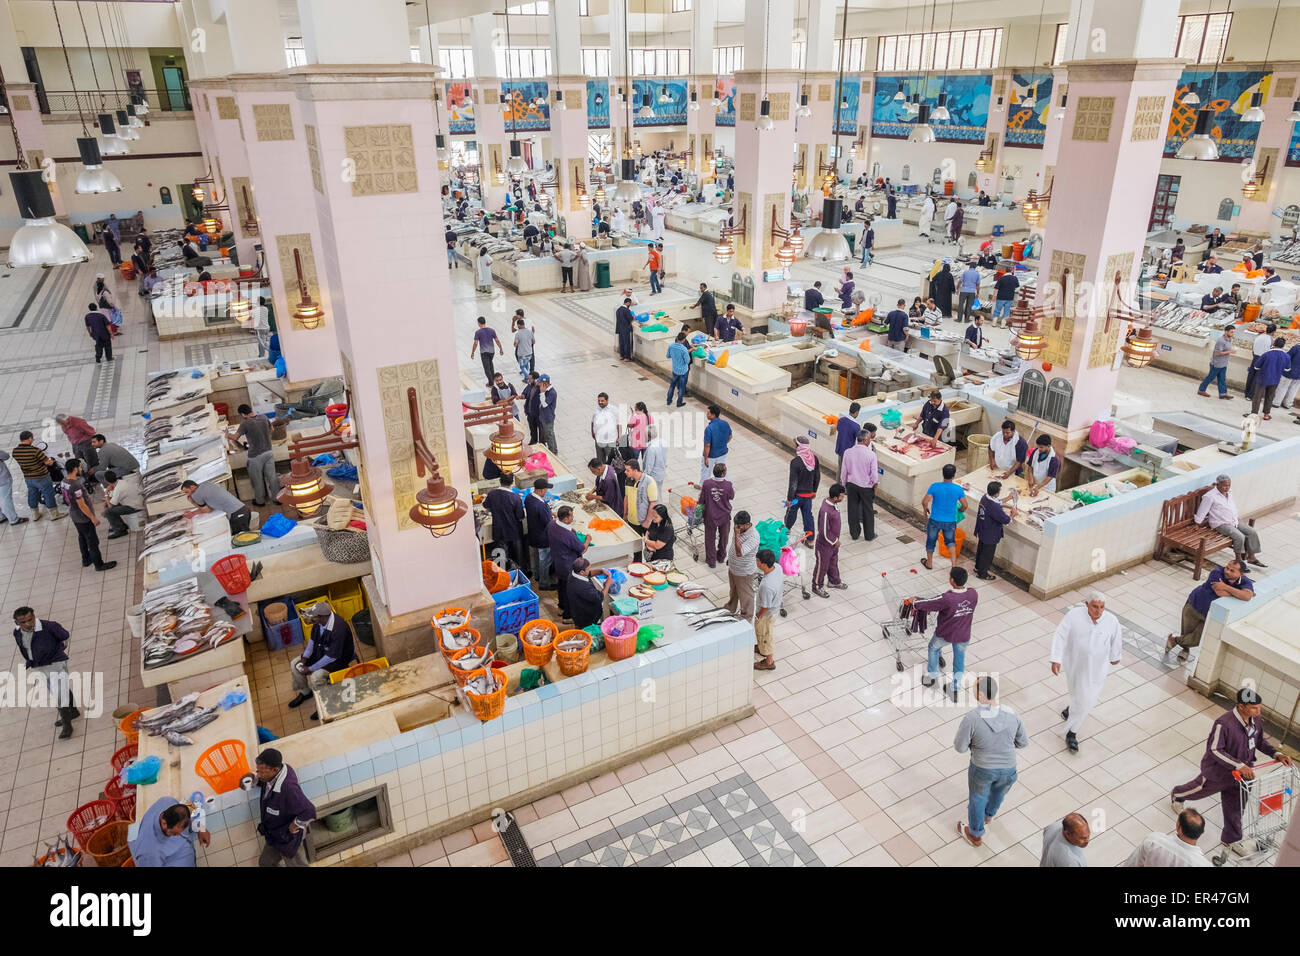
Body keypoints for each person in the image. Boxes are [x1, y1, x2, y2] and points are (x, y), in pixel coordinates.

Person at [1171, 687, 1293, 856]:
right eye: (1254, 708)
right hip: (1218, 773)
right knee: (1198, 789)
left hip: (1242, 777)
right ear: (1241, 706)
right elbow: (1215, 750)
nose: (1259, 711)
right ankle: (1177, 795)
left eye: (1259, 707)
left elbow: (1259, 741)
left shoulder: (1255, 720)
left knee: (1236, 808)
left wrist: (1276, 754)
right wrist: (1238, 765)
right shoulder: (1224, 723)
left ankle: (1231, 839)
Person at [953, 676, 1028, 847]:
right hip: (1009, 769)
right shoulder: (1012, 713)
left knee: (977, 799)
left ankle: (975, 835)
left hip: (982, 769)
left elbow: (960, 747)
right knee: (998, 793)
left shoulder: (972, 718)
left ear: (979, 694)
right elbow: (1022, 742)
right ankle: (988, 815)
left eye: (973, 688)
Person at [1050, 591, 1123, 753]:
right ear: (1086, 605)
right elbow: (1060, 635)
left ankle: (1072, 733)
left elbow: (1116, 639)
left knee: (1088, 700)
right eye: (1095, 607)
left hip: (1096, 670)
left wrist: (1115, 656)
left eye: (1102, 607)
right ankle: (1072, 709)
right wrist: (1056, 658)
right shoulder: (1074, 615)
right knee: (1077, 692)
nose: (1098, 611)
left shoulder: (1112, 621)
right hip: (1075, 664)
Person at [1165, 558, 1254, 661]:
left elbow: (1247, 596)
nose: (1227, 571)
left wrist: (1225, 586)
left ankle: (1174, 640)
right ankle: (1185, 650)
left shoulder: (1245, 581)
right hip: (1194, 604)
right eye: (1227, 568)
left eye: (1232, 571)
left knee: (1199, 638)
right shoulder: (1217, 572)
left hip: (1210, 613)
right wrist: (1238, 593)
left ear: (1241, 574)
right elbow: (1219, 592)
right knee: (1187, 632)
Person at [12, 607, 79, 738]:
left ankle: (67, 726)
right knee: (57, 690)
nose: (27, 624)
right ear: (17, 623)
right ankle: (73, 711)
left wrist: (57, 651)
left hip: (56, 664)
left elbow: (65, 637)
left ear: (34, 617)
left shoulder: (49, 626)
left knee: (59, 693)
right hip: (39, 666)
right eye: (23, 622)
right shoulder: (17, 633)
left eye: (30, 620)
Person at [914, 567, 978, 699]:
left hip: (946, 634)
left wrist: (914, 602)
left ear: (952, 580)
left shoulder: (947, 598)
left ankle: (932, 678)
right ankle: (955, 688)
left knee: (933, 647)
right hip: (963, 635)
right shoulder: (973, 594)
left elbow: (929, 603)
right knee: (959, 659)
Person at [287, 602, 356, 717]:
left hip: (338, 660)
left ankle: (326, 704)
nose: (311, 619)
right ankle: (306, 692)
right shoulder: (319, 622)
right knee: (295, 664)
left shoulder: (338, 629)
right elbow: (312, 642)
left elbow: (331, 657)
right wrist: (304, 658)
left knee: (316, 677)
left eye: (314, 617)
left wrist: (310, 668)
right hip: (321, 651)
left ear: (322, 616)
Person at [255, 749, 316, 867]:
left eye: (262, 772)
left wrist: (296, 824)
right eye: (258, 771)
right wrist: (253, 778)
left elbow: (309, 810)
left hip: (289, 839)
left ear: (275, 770)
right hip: (275, 835)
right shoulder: (275, 774)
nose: (259, 775)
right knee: (265, 862)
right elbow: (262, 778)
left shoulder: (288, 788)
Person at [1194, 475, 1265, 571]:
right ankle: (1238, 560)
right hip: (1220, 523)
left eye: (1228, 485)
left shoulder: (1229, 492)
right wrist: (1197, 523)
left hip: (1234, 520)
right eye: (1224, 486)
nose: (1227, 488)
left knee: (1251, 531)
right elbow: (1202, 510)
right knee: (1239, 536)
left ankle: (1251, 557)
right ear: (1218, 484)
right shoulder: (1210, 496)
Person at [61, 459, 116, 572]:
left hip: (74, 515)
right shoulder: (75, 485)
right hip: (83, 517)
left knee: (82, 537)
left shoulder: (64, 481)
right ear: (75, 469)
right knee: (92, 541)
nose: (82, 469)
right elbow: (82, 505)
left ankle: (86, 559)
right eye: (80, 467)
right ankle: (99, 564)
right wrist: (92, 517)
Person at [130, 799, 209, 866]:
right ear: (164, 823)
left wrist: (201, 828)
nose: (178, 836)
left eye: (181, 831)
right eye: (174, 834)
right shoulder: (149, 852)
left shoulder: (168, 801)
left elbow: (187, 816)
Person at [1123, 810, 1211, 867]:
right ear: (1201, 833)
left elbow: (1133, 863)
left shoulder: (1153, 841)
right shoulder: (1202, 864)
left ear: (1178, 826)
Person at [228, 404, 276, 507]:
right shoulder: (264, 417)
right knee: (272, 477)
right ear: (251, 410)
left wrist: (227, 435)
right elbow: (272, 429)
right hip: (268, 452)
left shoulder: (245, 423)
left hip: (255, 456)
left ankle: (260, 501)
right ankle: (277, 498)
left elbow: (235, 438)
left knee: (257, 480)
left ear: (242, 414)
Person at [922, 463, 966, 571]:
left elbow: (924, 501)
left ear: (943, 474)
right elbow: (965, 505)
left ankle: (929, 563)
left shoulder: (935, 486)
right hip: (950, 521)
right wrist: (960, 510)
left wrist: (925, 509)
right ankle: (954, 565)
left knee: (931, 540)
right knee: (950, 542)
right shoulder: (958, 489)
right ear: (953, 475)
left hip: (935, 519)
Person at [12, 431, 64, 520]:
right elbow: (48, 462)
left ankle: (35, 514)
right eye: (32, 438)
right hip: (42, 476)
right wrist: (51, 461)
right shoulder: (35, 450)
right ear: (29, 438)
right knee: (48, 494)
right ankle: (54, 514)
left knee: (32, 494)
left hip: (28, 477)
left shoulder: (15, 451)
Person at [547, 505, 587, 621]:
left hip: (557, 562)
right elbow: (581, 548)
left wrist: (571, 530)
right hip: (568, 566)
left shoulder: (552, 524)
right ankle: (567, 616)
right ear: (565, 519)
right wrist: (588, 539)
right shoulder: (568, 535)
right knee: (570, 590)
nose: (572, 518)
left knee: (562, 586)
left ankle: (561, 607)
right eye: (571, 517)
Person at [840, 427, 878, 541]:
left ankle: (855, 534)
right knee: (868, 510)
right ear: (866, 440)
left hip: (851, 485)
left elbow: (844, 471)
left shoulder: (848, 452)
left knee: (852, 509)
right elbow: (874, 475)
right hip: (866, 487)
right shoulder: (871, 455)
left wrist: (844, 484)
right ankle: (869, 535)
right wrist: (875, 485)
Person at [973, 481, 1016, 581]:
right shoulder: (994, 507)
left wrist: (1008, 498)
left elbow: (997, 502)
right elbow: (1006, 520)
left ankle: (978, 567)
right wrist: (1013, 514)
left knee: (981, 550)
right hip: (990, 533)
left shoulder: (985, 497)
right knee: (987, 554)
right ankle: (983, 574)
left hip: (982, 529)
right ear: (996, 493)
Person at [783, 435, 821, 546]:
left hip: (798, 495)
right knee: (808, 516)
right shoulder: (814, 458)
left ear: (799, 446)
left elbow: (793, 483)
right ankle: (810, 540)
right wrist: (814, 491)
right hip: (808, 494)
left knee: (792, 512)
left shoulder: (796, 462)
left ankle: (787, 528)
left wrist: (790, 499)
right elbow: (817, 476)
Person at [812, 483, 847, 598]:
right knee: (822, 566)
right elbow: (824, 531)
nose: (843, 498)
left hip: (832, 545)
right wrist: (834, 541)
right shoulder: (826, 511)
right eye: (841, 496)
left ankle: (834, 581)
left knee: (833, 563)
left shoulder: (833, 504)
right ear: (835, 497)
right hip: (825, 545)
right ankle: (817, 586)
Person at [484, 474, 525, 570]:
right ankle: (519, 572)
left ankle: (503, 575)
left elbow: (486, 505)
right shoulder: (515, 498)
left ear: (500, 480)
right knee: (518, 555)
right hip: (513, 531)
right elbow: (520, 516)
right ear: (512, 482)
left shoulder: (492, 494)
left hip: (499, 530)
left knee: (502, 557)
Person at [181, 479, 252, 534]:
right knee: (245, 535)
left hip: (236, 515)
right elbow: (209, 506)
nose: (187, 495)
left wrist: (192, 504)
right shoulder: (206, 483)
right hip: (244, 509)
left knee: (242, 539)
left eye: (187, 492)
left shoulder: (196, 494)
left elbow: (207, 511)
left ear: (192, 487)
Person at [725, 511, 760, 620]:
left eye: (739, 526)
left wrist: (736, 535)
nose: (736, 527)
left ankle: (746, 617)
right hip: (734, 567)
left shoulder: (753, 536)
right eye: (735, 525)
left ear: (747, 524)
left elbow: (740, 553)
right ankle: (731, 607)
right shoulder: (740, 529)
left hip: (744, 572)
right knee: (734, 590)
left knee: (746, 595)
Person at [699, 462, 734, 568]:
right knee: (724, 537)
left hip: (710, 515)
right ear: (723, 473)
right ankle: (721, 556)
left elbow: (702, 500)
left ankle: (711, 560)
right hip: (724, 516)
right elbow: (731, 496)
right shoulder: (728, 485)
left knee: (710, 538)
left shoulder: (707, 484)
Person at [754, 548, 782, 671]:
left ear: (764, 564)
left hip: (767, 614)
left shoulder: (767, 586)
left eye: (757, 561)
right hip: (775, 607)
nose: (756, 562)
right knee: (764, 634)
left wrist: (758, 615)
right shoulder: (777, 567)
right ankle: (760, 647)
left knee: (766, 635)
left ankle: (769, 661)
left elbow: (766, 606)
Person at [1250, 336, 1291, 418]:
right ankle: (1266, 414)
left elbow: (1256, 367)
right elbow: (1287, 369)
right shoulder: (1286, 356)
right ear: (1283, 346)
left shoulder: (1267, 354)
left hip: (1262, 378)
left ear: (1274, 344)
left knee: (1257, 396)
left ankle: (1254, 413)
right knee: (1270, 397)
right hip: (1275, 379)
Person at [525, 478, 554, 588]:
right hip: (543, 537)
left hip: (533, 534)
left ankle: (537, 576)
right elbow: (548, 523)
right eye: (546, 489)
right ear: (541, 490)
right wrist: (554, 519)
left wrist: (550, 513)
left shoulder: (529, 498)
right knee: (544, 561)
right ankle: (544, 583)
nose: (546, 491)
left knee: (537, 557)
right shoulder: (540, 505)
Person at [567, 557, 610, 629]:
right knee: (587, 629)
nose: (590, 570)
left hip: (578, 608)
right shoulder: (582, 586)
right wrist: (607, 584)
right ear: (582, 572)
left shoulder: (573, 573)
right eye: (588, 569)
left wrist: (600, 571)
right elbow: (599, 597)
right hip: (585, 615)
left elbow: (588, 574)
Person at [1197, 324, 1236, 399]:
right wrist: (1230, 351)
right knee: (1210, 377)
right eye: (1231, 332)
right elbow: (1217, 353)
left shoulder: (1230, 339)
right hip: (1217, 363)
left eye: (1233, 332)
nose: (1232, 334)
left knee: (1222, 379)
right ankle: (1201, 390)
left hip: (1224, 363)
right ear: (1226, 331)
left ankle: (1223, 394)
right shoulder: (1220, 341)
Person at [622, 459, 659, 537]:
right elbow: (626, 497)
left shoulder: (649, 481)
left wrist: (647, 521)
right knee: (635, 546)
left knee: (649, 544)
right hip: (631, 520)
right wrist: (625, 514)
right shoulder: (628, 480)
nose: (625, 472)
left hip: (644, 521)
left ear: (635, 470)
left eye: (628, 470)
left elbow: (653, 503)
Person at [102, 470, 143, 539]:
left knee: (108, 511)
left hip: (135, 506)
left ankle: (120, 530)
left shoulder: (118, 489)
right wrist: (106, 501)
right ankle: (120, 525)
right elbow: (111, 499)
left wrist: (106, 493)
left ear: (106, 481)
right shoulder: (121, 482)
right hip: (136, 501)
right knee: (108, 506)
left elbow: (110, 505)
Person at [1244, 323, 1276, 400]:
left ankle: (1247, 393)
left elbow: (1253, 347)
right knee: (1257, 377)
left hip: (1255, 357)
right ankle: (1251, 395)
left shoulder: (1259, 336)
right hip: (1263, 359)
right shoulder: (1272, 340)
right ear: (1273, 332)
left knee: (1251, 375)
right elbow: (1270, 351)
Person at [701, 404, 732, 484]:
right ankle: (726, 485)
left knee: (706, 472)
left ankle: (703, 486)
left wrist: (706, 458)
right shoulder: (725, 423)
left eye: (708, 413)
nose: (707, 414)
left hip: (711, 455)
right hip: (722, 453)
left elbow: (707, 445)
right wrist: (723, 444)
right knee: (722, 470)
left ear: (713, 415)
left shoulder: (709, 429)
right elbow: (730, 436)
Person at [470, 316, 503, 384]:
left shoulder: (478, 332)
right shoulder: (492, 330)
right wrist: (500, 348)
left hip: (484, 352)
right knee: (490, 365)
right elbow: (497, 340)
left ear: (479, 323)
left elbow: (475, 343)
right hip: (491, 352)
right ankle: (493, 379)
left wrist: (473, 352)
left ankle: (491, 382)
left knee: (487, 368)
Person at [591, 392, 620, 463]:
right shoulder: (596, 410)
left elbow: (618, 424)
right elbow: (592, 422)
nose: (600, 402)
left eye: (602, 401)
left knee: (611, 459)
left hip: (610, 440)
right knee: (600, 459)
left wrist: (619, 437)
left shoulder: (614, 410)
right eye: (599, 401)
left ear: (607, 401)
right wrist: (593, 432)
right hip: (598, 440)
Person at [0, 450, 26, 527]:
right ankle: (13, 519)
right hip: (2, 480)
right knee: (6, 499)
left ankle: (1, 517)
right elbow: (6, 456)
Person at [666, 332, 691, 407]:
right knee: (681, 388)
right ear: (683, 340)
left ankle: (669, 400)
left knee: (672, 385)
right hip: (683, 371)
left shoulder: (671, 346)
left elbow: (668, 356)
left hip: (675, 369)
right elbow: (687, 361)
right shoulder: (684, 349)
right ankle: (679, 403)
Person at [834, 403, 861, 469]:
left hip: (840, 449)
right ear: (857, 412)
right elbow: (859, 440)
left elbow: (838, 429)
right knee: (847, 471)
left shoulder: (841, 420)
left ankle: (838, 479)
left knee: (840, 468)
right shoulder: (856, 426)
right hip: (849, 453)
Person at [537, 374, 559, 453]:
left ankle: (552, 452)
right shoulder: (547, 390)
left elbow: (544, 404)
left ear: (545, 384)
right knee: (551, 434)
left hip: (548, 418)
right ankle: (555, 450)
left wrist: (542, 393)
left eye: (540, 383)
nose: (538, 384)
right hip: (544, 417)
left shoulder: (552, 392)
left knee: (549, 435)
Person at [521, 371, 543, 446]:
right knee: (532, 428)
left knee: (541, 429)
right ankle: (533, 441)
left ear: (535, 379)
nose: (529, 380)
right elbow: (525, 393)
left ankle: (541, 443)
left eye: (530, 379)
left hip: (538, 413)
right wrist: (522, 396)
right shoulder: (529, 385)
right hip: (530, 412)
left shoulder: (540, 387)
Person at [957, 260, 980, 324]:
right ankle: (967, 319)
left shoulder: (965, 272)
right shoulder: (977, 274)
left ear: (969, 266)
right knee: (969, 306)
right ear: (975, 267)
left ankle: (959, 319)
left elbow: (960, 281)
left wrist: (957, 289)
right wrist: (977, 293)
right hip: (972, 292)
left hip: (963, 290)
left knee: (961, 304)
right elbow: (978, 285)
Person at [615, 296, 635, 361]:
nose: (630, 305)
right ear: (628, 303)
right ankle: (627, 357)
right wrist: (633, 317)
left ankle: (621, 355)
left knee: (621, 342)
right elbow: (630, 319)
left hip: (619, 329)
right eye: (630, 304)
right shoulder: (626, 310)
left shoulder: (618, 309)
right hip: (626, 329)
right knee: (627, 343)